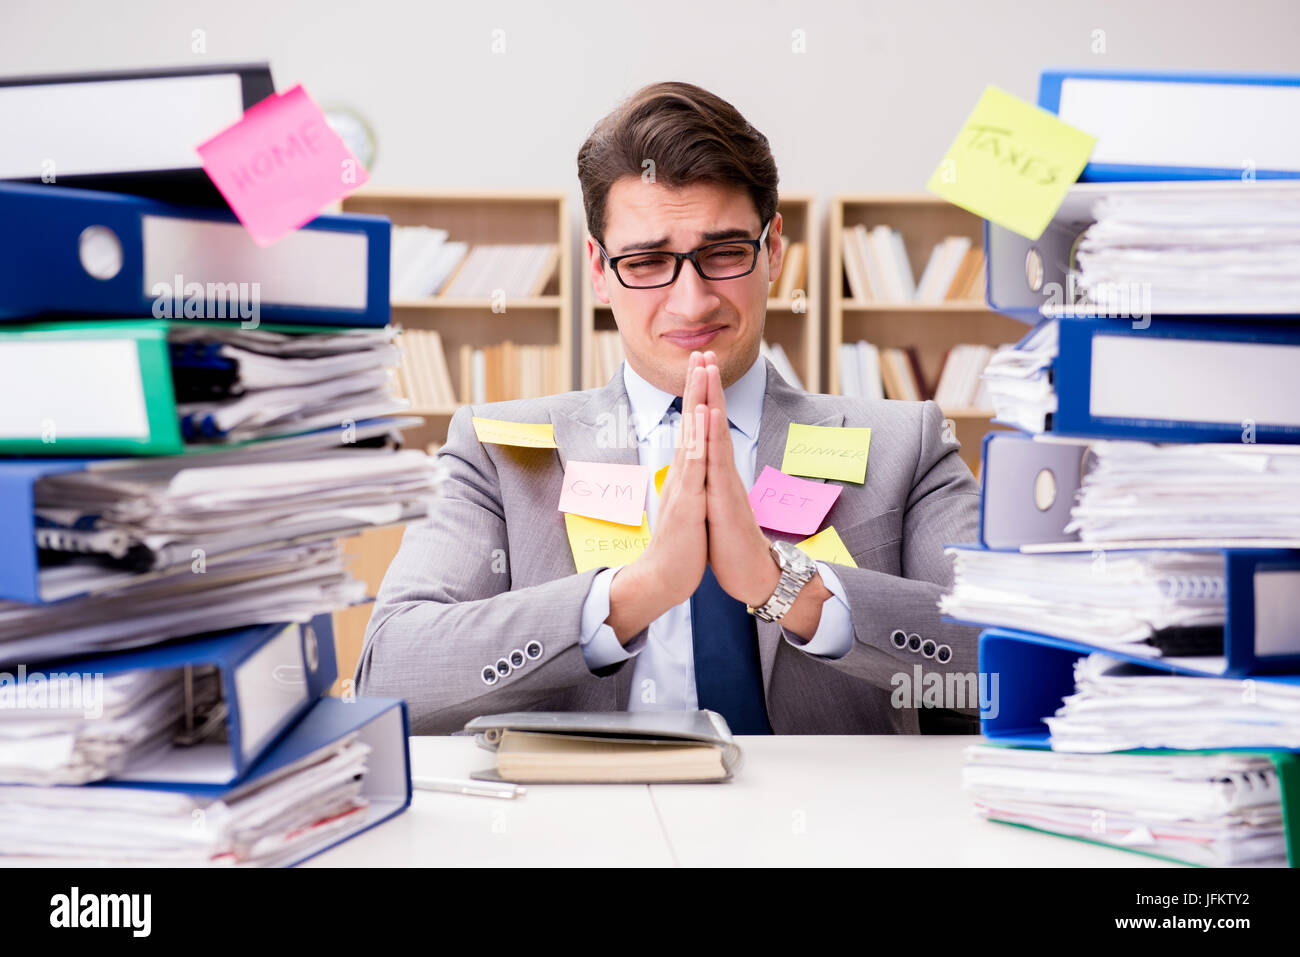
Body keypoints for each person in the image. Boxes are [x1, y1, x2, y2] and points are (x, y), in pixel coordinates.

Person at [357, 81, 984, 734]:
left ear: (772, 250)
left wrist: (786, 589)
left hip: (828, 828)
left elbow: (1016, 660)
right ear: (599, 270)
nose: (692, 301)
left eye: (722, 253)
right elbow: (393, 671)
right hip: (586, 823)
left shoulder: (905, 443)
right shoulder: (500, 450)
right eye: (650, 260)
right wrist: (634, 593)